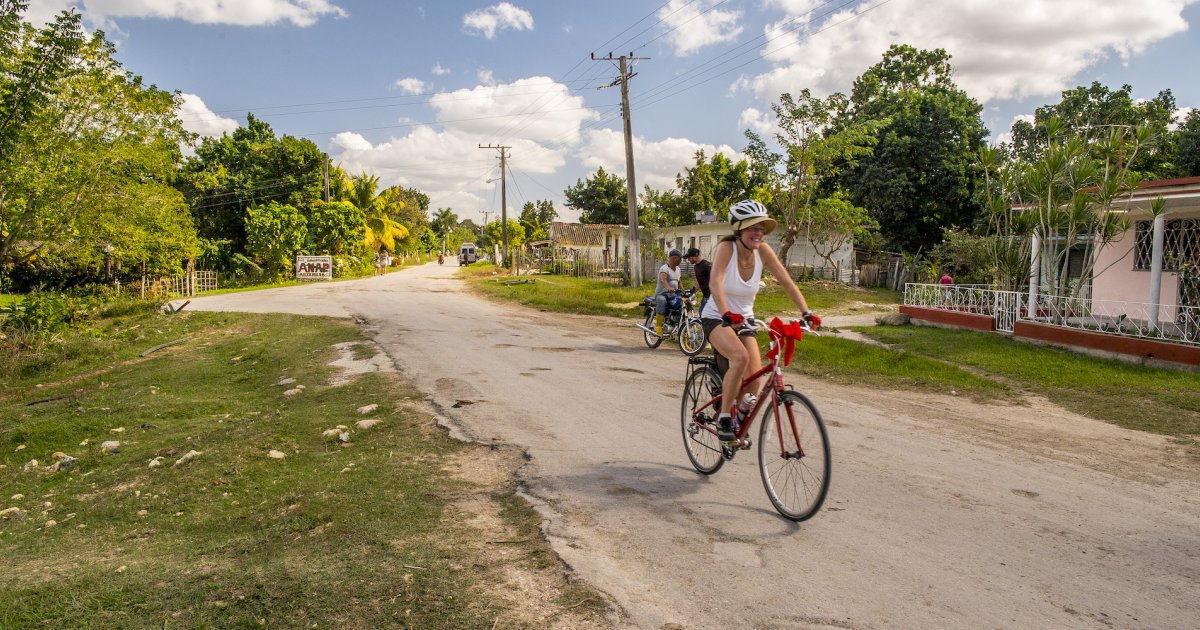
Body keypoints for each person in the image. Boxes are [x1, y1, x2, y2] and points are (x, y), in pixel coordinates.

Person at [700, 200, 820, 443]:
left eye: (762, 228)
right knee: (740, 358)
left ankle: (738, 417)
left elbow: (787, 282)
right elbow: (715, 282)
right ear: (740, 229)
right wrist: (726, 313)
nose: (758, 233)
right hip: (717, 317)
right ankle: (724, 416)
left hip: (744, 319)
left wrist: (806, 312)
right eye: (753, 227)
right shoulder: (727, 248)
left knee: (755, 381)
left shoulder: (763, 250)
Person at [654, 249, 687, 336]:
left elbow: (679, 282)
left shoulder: (678, 269)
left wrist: (684, 292)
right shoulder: (664, 268)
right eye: (680, 259)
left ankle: (679, 325)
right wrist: (668, 287)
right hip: (662, 293)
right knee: (662, 301)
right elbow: (663, 279)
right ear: (673, 258)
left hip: (674, 294)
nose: (681, 261)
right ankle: (658, 326)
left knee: (684, 303)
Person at [685, 247, 712, 314]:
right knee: (701, 313)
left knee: (703, 313)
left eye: (689, 258)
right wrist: (693, 290)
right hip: (705, 295)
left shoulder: (707, 265)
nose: (688, 260)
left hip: (711, 296)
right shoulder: (696, 267)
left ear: (695, 256)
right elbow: (699, 281)